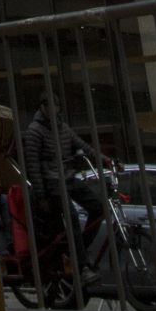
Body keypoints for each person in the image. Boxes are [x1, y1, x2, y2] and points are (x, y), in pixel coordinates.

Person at [23, 95, 100, 243]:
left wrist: (105, 160)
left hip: (67, 176)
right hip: (52, 182)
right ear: (43, 107)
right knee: (72, 218)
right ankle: (80, 261)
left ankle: (82, 248)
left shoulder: (63, 127)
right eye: (49, 107)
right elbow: (33, 165)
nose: (53, 110)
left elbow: (84, 146)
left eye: (55, 107)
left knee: (98, 208)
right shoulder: (35, 130)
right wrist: (41, 195)